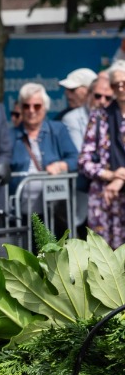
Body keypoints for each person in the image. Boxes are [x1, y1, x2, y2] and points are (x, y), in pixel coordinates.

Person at [79, 66, 125, 248]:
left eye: (124, 83)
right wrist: (111, 175)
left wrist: (120, 179)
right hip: (103, 201)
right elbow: (84, 161)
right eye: (116, 85)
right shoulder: (99, 117)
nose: (120, 88)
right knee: (102, 259)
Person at [10, 82, 80, 178]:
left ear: (45, 107)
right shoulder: (10, 136)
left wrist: (60, 166)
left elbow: (76, 159)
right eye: (26, 106)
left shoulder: (58, 130)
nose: (31, 110)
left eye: (37, 106)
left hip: (54, 191)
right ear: (21, 109)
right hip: (19, 192)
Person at [61, 68, 99, 152]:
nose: (66, 94)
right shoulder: (67, 118)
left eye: (72, 90)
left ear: (89, 90)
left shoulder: (112, 114)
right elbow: (78, 154)